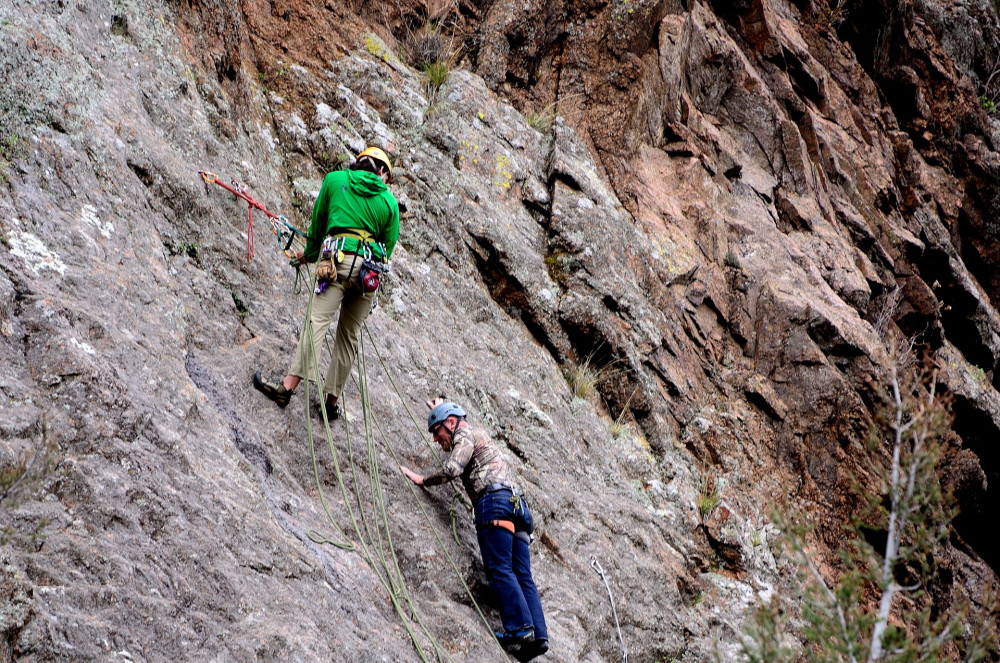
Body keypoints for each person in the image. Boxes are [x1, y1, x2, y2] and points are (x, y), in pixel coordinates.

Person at [253, 147, 399, 419]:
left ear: (358, 162)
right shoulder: (389, 202)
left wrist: (308, 256)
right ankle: (331, 403)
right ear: (381, 172)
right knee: (349, 337)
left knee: (317, 321)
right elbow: (387, 247)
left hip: (337, 263)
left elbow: (318, 226)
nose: (385, 183)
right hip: (368, 275)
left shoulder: (334, 180)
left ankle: (287, 387)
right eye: (386, 177)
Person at [400, 399, 549, 662]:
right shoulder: (478, 433)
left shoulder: (465, 434)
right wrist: (440, 403)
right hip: (518, 506)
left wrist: (423, 480)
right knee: (523, 574)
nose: (436, 439)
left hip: (494, 504)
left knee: (499, 568)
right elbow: (451, 421)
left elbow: (452, 469)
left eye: (437, 431)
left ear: (451, 423)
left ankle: (519, 629)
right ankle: (538, 636)